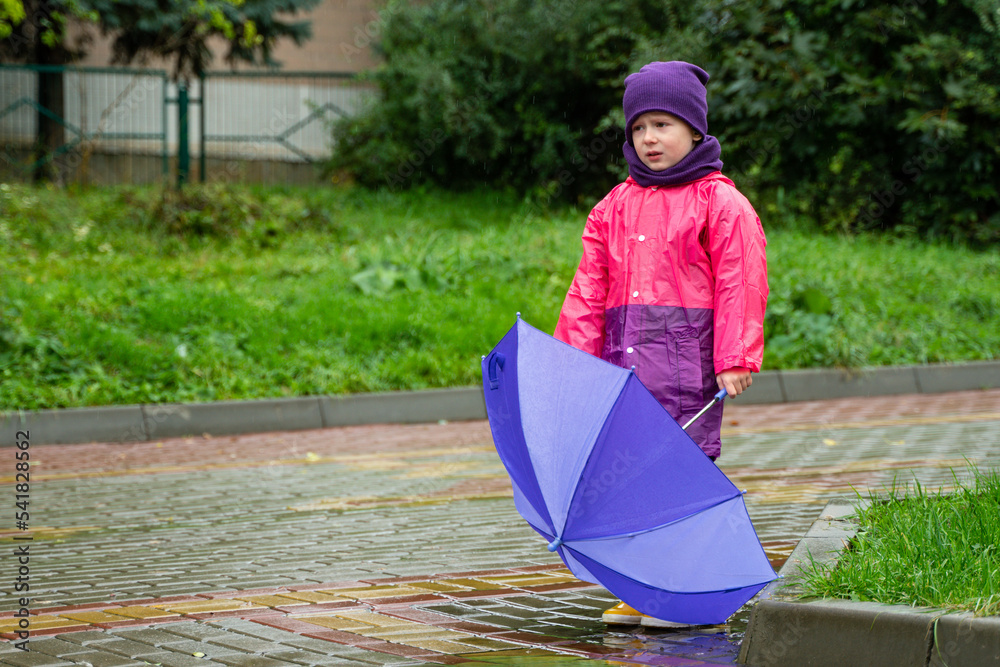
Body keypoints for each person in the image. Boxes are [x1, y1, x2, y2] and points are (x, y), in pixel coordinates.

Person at [552, 61, 768, 629]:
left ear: (694, 130)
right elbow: (588, 287)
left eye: (663, 125)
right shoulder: (615, 205)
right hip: (624, 368)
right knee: (630, 477)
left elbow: (740, 279)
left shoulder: (719, 203)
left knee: (683, 474)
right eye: (639, 127)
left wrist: (736, 356)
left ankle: (686, 590)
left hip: (688, 368)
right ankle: (644, 587)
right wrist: (571, 364)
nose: (649, 139)